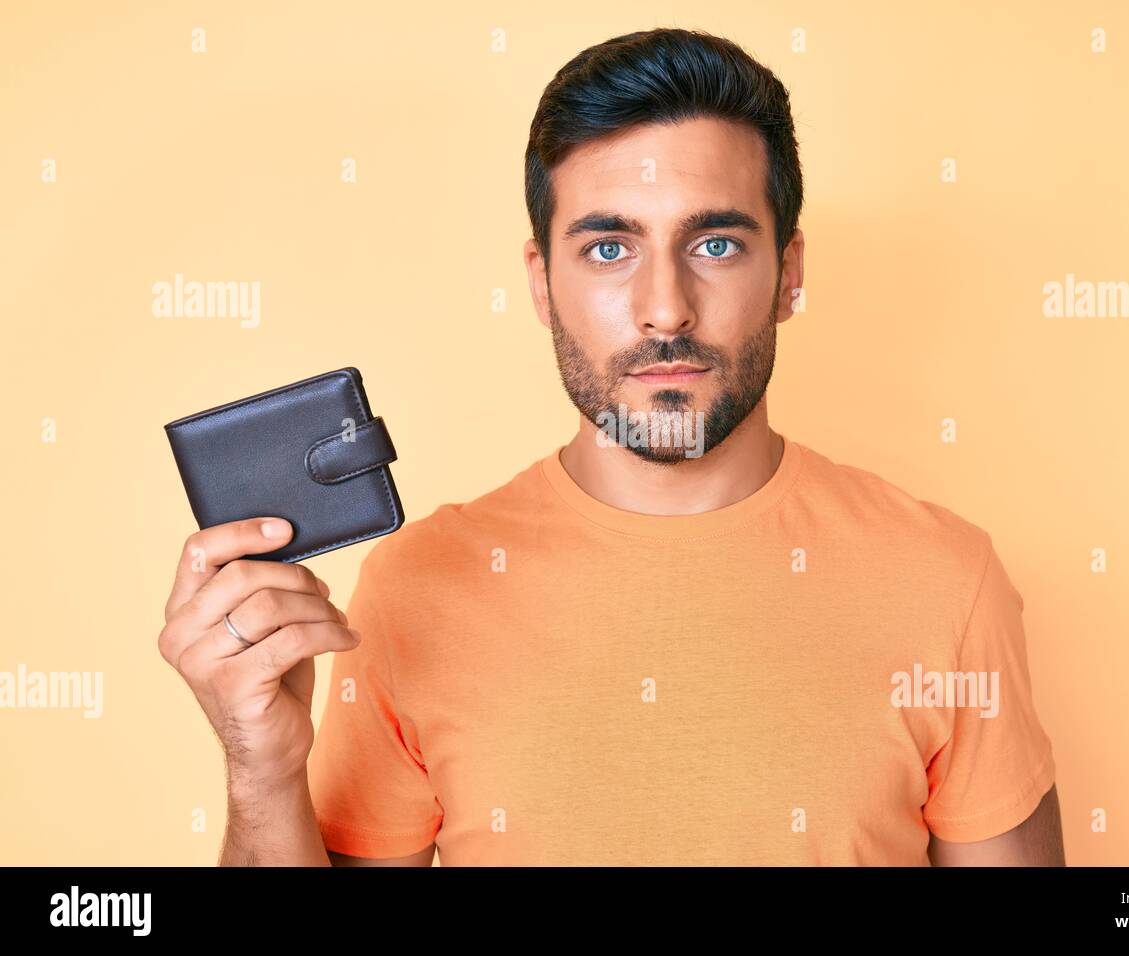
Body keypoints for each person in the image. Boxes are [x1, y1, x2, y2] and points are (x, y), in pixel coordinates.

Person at [159, 28, 1063, 866]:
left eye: (714, 242)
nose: (664, 307)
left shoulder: (947, 579)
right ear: (542, 282)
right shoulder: (412, 590)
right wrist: (260, 770)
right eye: (606, 249)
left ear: (788, 273)